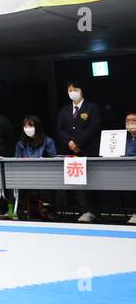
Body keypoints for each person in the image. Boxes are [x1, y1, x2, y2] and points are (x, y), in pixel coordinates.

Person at [56, 82, 101, 222]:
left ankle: (94, 211)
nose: (72, 92)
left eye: (75, 89)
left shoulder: (92, 107)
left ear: (81, 91)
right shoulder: (64, 110)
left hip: (88, 150)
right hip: (70, 151)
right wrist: (69, 142)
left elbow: (93, 128)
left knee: (91, 181)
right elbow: (60, 129)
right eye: (70, 90)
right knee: (77, 182)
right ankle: (83, 210)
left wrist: (78, 143)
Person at [14, 115, 58, 221]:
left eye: (30, 126)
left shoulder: (48, 141)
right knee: (19, 188)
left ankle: (48, 211)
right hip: (26, 176)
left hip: (45, 175)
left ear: (37, 127)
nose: (27, 129)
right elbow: (17, 161)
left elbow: (54, 160)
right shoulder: (20, 144)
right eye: (25, 126)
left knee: (49, 188)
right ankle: (22, 211)